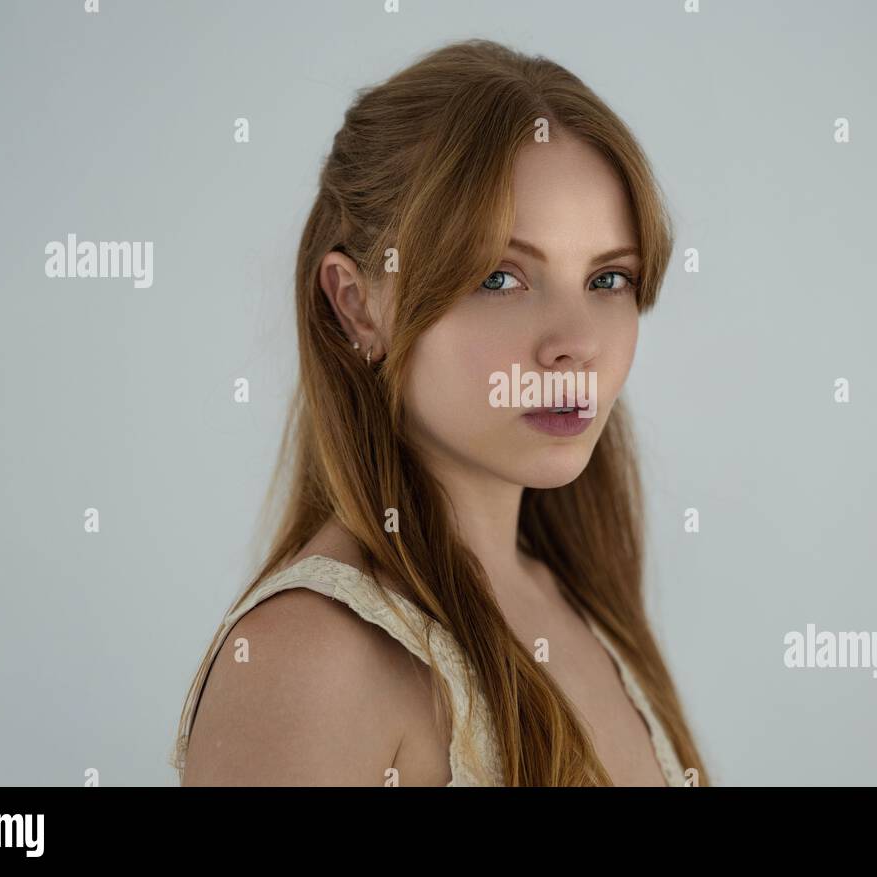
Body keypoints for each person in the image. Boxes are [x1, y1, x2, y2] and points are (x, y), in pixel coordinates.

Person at [172, 38, 709, 787]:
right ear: (357, 305)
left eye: (608, 277)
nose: (575, 345)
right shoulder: (312, 656)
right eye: (499, 276)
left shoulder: (578, 603)